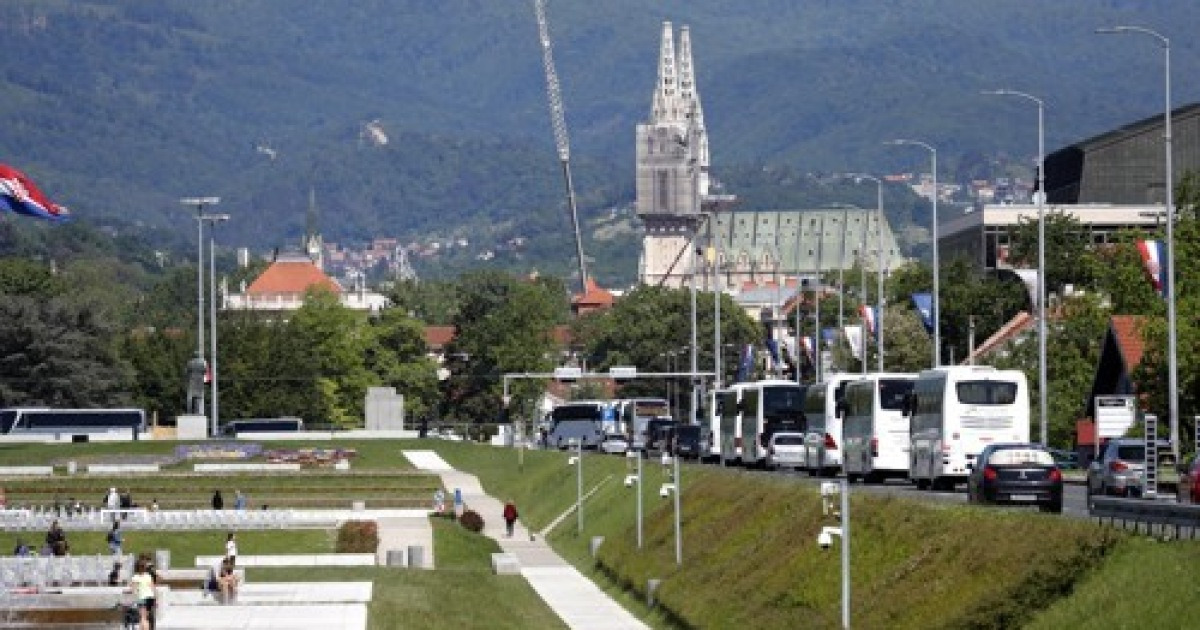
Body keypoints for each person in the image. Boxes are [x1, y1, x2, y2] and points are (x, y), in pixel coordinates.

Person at [129, 556, 155, 630]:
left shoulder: (135, 577)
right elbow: (152, 588)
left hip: (142, 598)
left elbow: (134, 590)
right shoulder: (148, 576)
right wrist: (155, 599)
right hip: (150, 598)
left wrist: (130, 591)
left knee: (143, 618)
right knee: (145, 618)